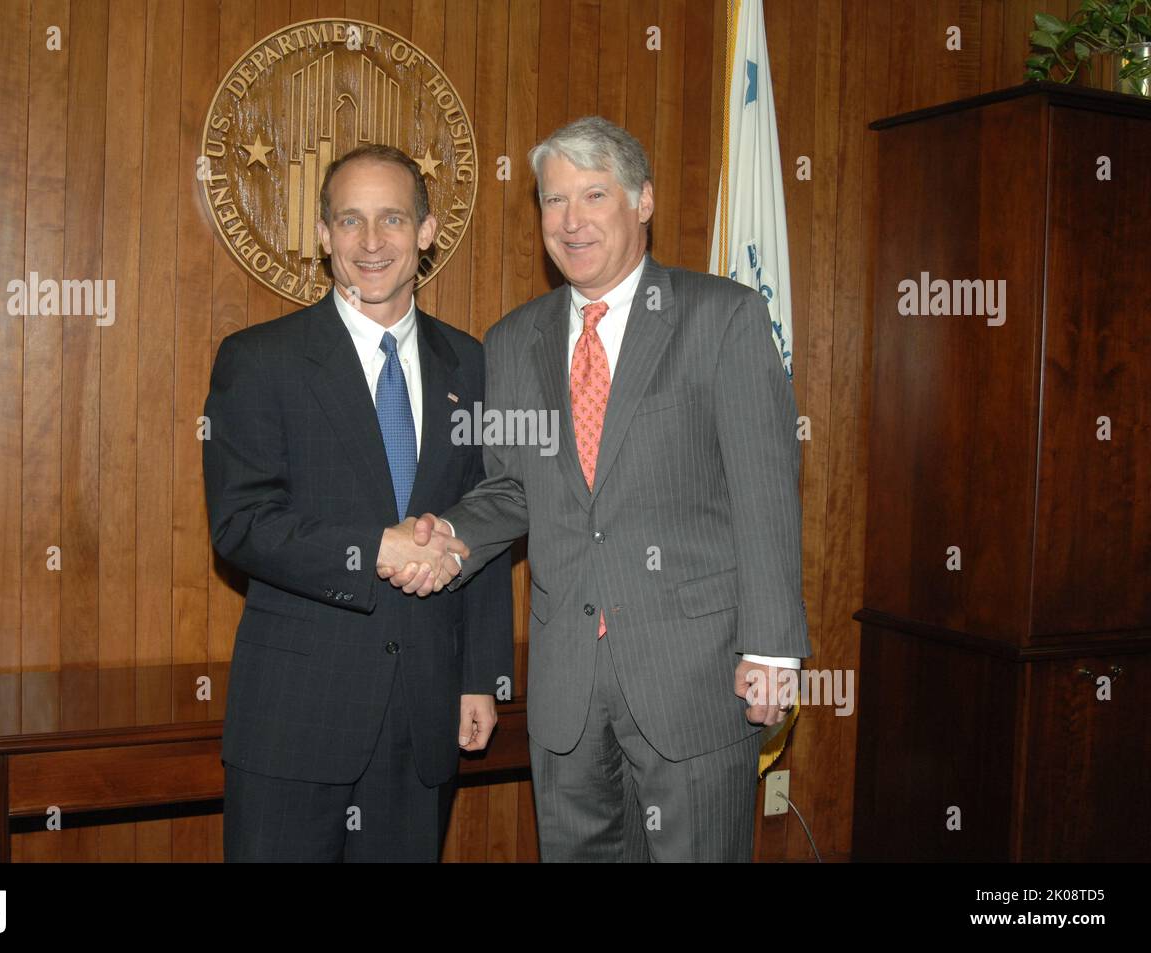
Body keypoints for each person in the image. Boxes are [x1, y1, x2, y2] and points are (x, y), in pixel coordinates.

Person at [380, 116, 810, 862]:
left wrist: (773, 647)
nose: (571, 220)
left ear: (642, 202)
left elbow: (765, 488)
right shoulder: (515, 341)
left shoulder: (722, 316)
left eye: (593, 195)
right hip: (566, 686)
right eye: (553, 200)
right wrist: (450, 538)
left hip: (695, 679)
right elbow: (513, 488)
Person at [204, 144, 513, 862]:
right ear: (323, 236)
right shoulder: (259, 359)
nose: (371, 242)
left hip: (424, 715)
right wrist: (375, 546)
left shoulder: (470, 364)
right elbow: (239, 523)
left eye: (393, 220)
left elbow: (490, 519)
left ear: (427, 231)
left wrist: (481, 679)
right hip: (292, 720)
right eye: (350, 220)